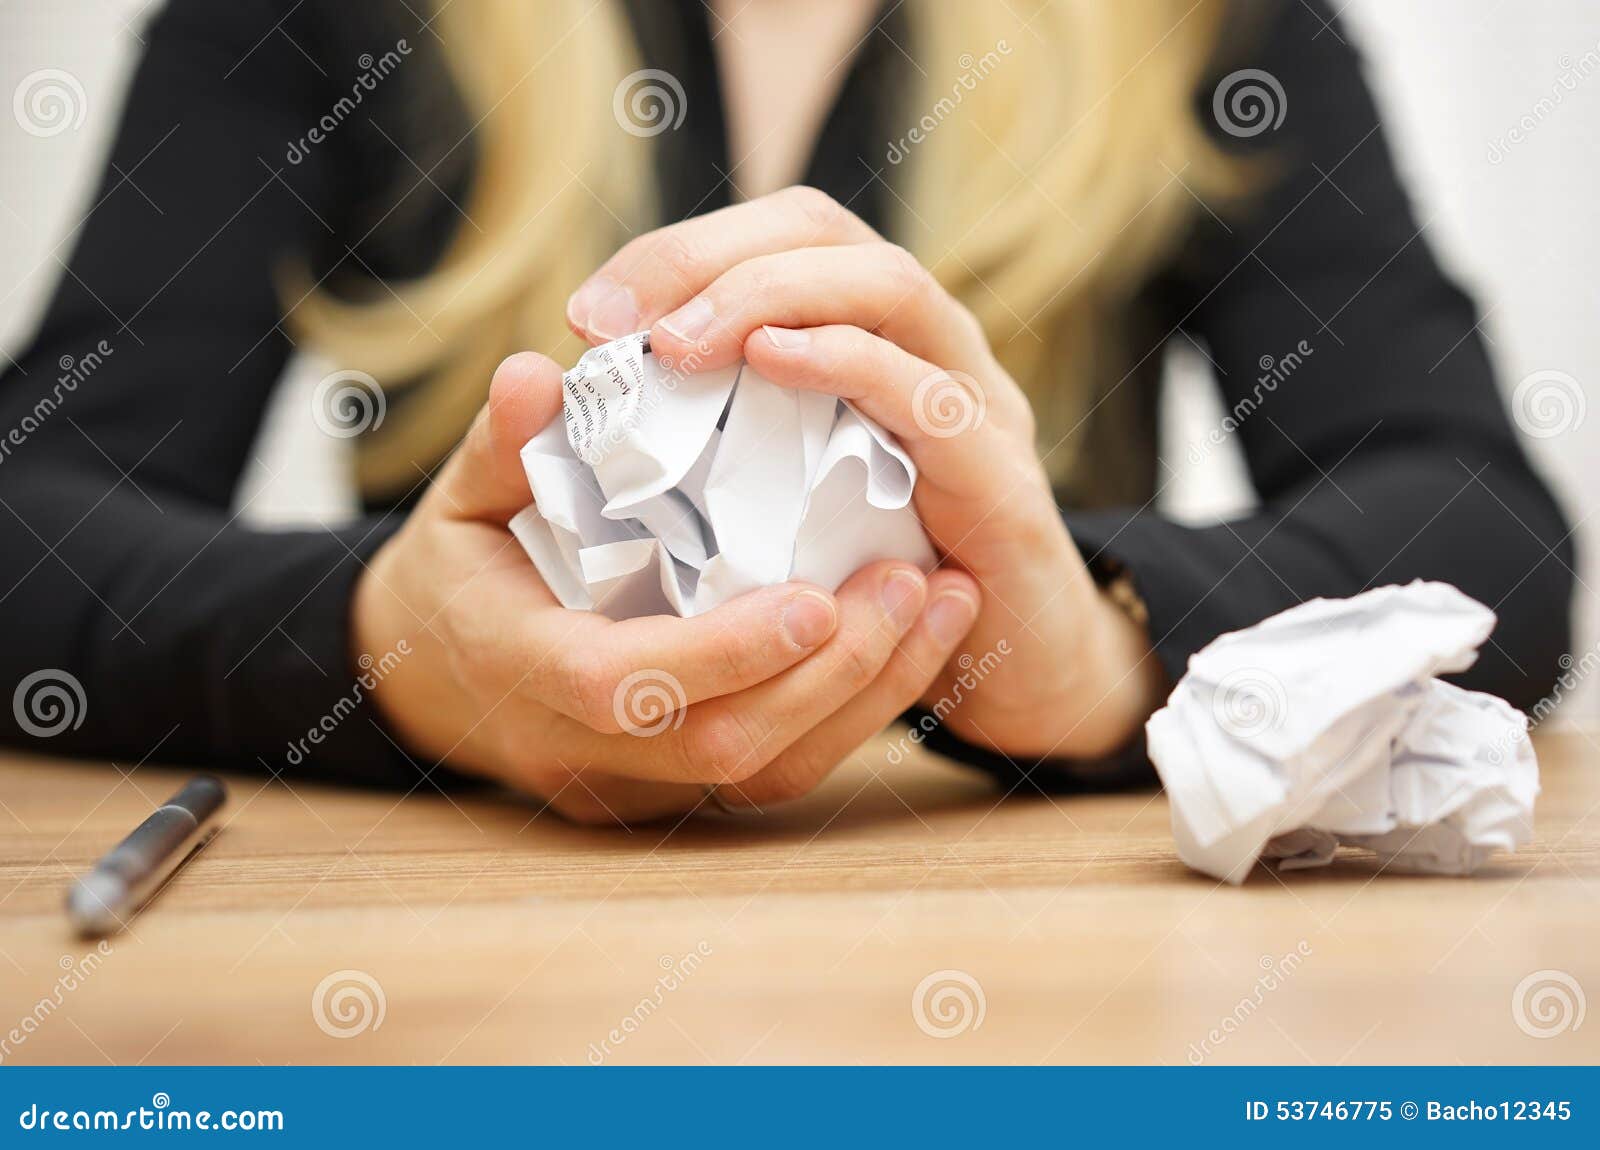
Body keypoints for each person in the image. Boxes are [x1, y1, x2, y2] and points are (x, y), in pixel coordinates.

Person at [0, 0, 1572, 822]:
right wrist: (391, 654)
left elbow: (1485, 532)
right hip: (464, 961)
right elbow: (29, 518)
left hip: (1027, 966)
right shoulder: (310, 17)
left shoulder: (1205, 19)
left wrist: (1108, 651)